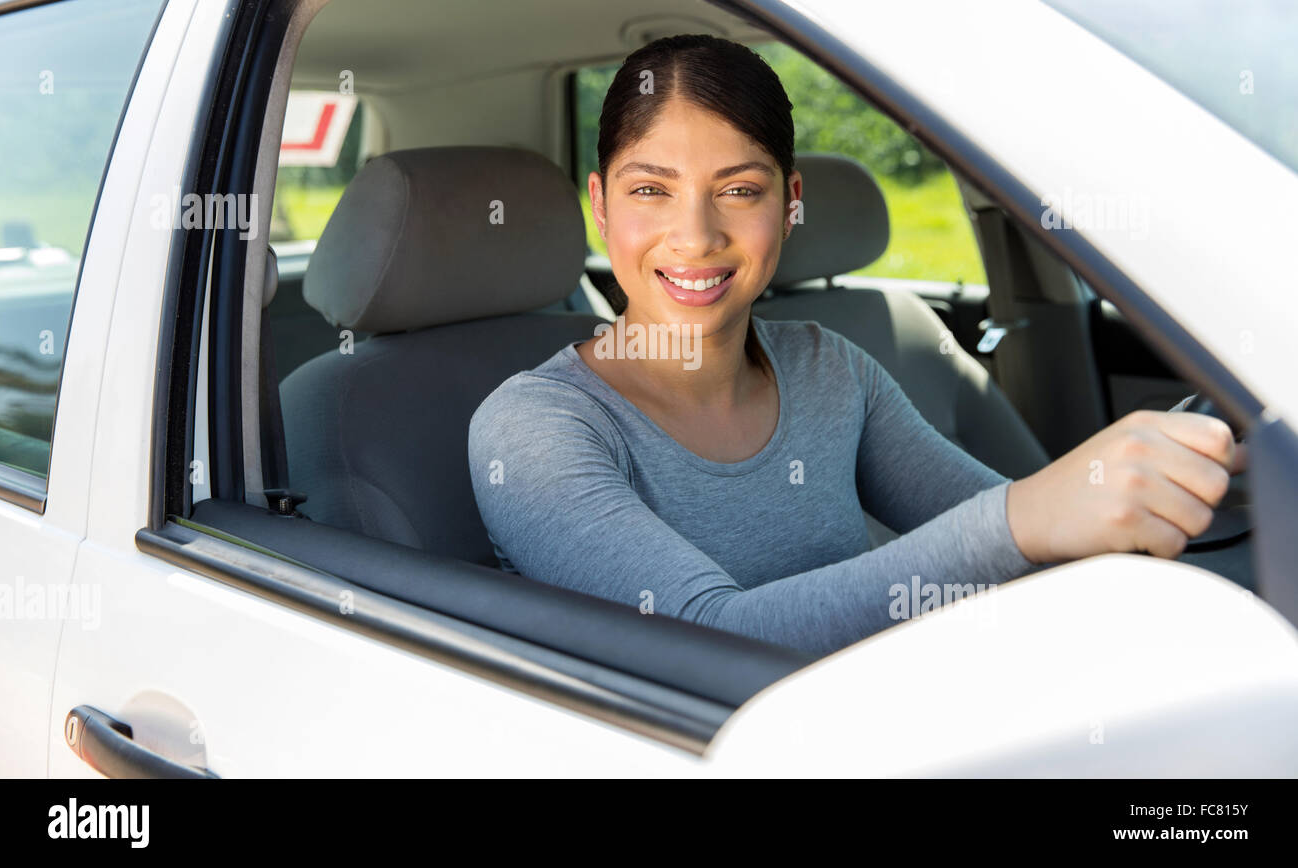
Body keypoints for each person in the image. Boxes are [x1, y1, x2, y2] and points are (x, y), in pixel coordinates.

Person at [467, 34, 1245, 657]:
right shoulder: (534, 429)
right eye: (650, 190)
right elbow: (709, 638)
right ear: (600, 205)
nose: (696, 236)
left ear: (791, 204)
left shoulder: (829, 367)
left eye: (739, 190)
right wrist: (1022, 517)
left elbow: (1009, 536)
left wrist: (1166, 481)